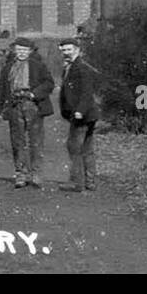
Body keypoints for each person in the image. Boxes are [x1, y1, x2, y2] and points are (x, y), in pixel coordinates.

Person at [0, 37, 55, 188]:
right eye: (18, 50)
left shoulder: (38, 66)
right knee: (17, 141)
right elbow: (1, 89)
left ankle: (36, 174)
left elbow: (49, 83)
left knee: (36, 141)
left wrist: (34, 94)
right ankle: (21, 174)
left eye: (24, 50)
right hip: (14, 106)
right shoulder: (8, 67)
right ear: (14, 50)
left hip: (33, 105)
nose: (21, 53)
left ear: (30, 51)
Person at [57, 39, 100, 193]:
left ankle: (77, 182)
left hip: (83, 114)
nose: (66, 53)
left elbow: (87, 92)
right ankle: (90, 181)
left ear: (77, 50)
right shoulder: (70, 67)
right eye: (63, 50)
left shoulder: (81, 68)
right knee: (87, 148)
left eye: (69, 50)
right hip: (86, 114)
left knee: (74, 147)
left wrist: (80, 110)